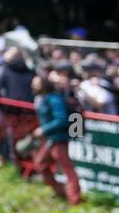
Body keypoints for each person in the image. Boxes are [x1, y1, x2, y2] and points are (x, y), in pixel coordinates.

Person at [29, 77, 81, 205]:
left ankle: (75, 200)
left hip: (59, 138)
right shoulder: (42, 99)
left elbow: (61, 119)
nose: (33, 86)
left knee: (67, 168)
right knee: (41, 164)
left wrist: (44, 129)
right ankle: (60, 192)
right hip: (50, 138)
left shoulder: (54, 99)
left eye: (36, 84)